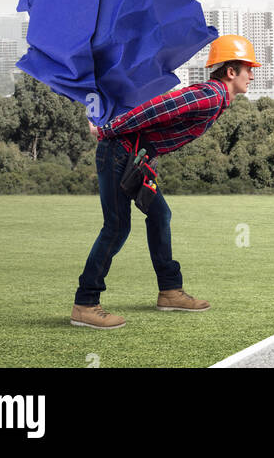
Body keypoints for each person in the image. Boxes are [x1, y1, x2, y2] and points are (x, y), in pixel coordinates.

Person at [69, 34, 260, 329]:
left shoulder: (217, 99)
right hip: (118, 151)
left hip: (134, 157)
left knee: (160, 214)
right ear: (231, 71)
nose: (252, 74)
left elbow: (160, 128)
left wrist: (149, 161)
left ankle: (170, 291)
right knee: (117, 227)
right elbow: (157, 108)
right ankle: (85, 303)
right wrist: (108, 130)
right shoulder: (210, 95)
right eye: (248, 68)